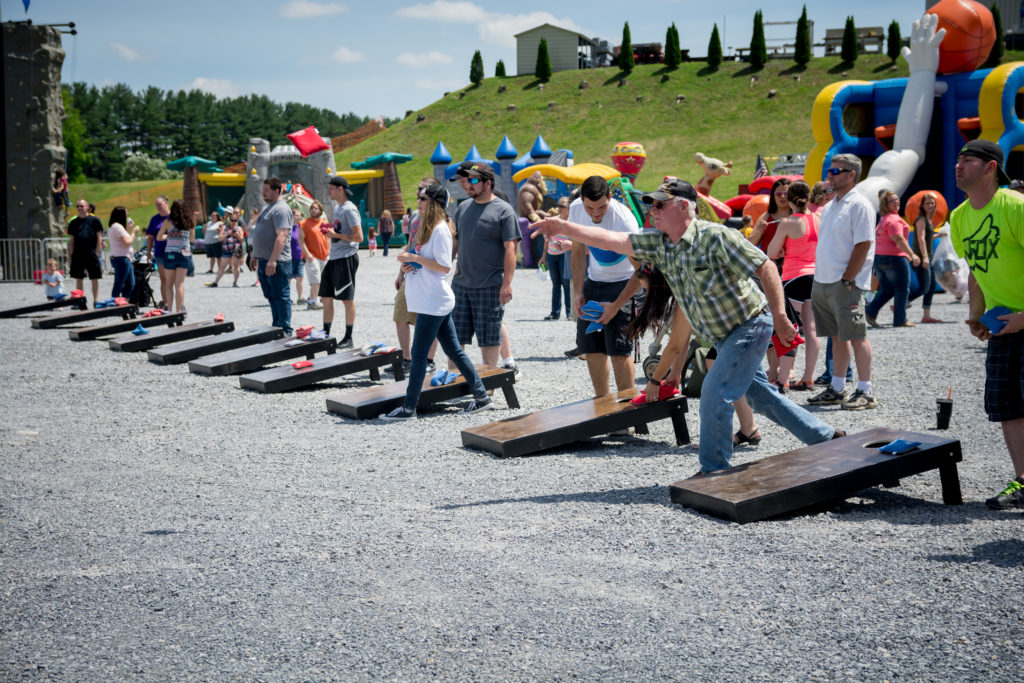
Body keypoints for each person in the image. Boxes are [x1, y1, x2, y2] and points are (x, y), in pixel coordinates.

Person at [532, 178, 842, 475]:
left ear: (683, 207)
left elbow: (766, 267)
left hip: (750, 324)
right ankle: (826, 437)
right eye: (651, 204)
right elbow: (610, 240)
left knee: (715, 392)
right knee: (762, 398)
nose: (652, 209)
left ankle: (714, 471)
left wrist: (780, 316)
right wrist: (563, 226)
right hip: (724, 336)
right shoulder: (660, 245)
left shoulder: (716, 236)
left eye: (660, 204)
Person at [948, 138, 1024, 510]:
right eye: (957, 159)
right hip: (1003, 324)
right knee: (1007, 404)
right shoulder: (959, 217)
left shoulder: (1015, 207)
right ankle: (1023, 481)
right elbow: (977, 271)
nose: (958, 165)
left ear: (991, 167)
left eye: (968, 160)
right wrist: (977, 315)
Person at [379, 183, 495, 420]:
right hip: (432, 300)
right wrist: (412, 264)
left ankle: (409, 408)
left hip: (433, 301)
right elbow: (429, 263)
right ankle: (482, 397)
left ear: (434, 203)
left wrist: (415, 258)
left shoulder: (440, 230)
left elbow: (443, 266)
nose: (418, 202)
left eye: (422, 199)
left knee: (419, 355)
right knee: (453, 350)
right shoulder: (431, 227)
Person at [628, 263, 762, 446]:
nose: (647, 295)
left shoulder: (684, 294)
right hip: (744, 325)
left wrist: (654, 381)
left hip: (744, 326)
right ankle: (749, 428)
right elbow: (682, 338)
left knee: (716, 387)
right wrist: (675, 372)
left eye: (648, 290)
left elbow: (674, 346)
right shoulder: (683, 287)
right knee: (718, 366)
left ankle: (718, 439)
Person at [807, 154, 878, 411]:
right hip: (825, 280)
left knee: (856, 335)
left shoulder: (859, 204)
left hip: (845, 282)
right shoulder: (830, 206)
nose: (830, 174)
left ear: (852, 175)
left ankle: (865, 391)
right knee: (836, 337)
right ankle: (837, 388)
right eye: (830, 170)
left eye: (836, 171)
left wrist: (848, 278)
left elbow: (864, 244)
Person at [568, 175, 641, 397]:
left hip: (624, 283)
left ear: (610, 197)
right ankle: (602, 405)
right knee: (591, 348)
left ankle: (627, 409)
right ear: (581, 199)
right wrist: (578, 291)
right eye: (590, 208)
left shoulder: (624, 221)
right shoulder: (576, 209)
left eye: (602, 207)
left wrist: (617, 306)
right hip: (594, 281)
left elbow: (642, 272)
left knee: (618, 350)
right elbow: (577, 250)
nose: (596, 213)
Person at [448, 162, 519, 367]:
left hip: (490, 285)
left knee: (489, 339)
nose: (468, 184)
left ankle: (488, 382)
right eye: (467, 180)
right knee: (455, 337)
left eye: (473, 180)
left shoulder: (504, 210)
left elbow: (511, 249)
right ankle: (453, 378)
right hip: (461, 284)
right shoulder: (463, 208)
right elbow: (456, 242)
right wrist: (444, 269)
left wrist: (507, 284)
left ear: (488, 183)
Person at [767, 181, 820, 391]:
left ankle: (783, 379)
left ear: (789, 199)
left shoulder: (788, 222)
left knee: (789, 328)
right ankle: (808, 378)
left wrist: (783, 250)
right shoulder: (818, 219)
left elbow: (771, 253)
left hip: (794, 277)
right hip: (815, 276)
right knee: (811, 329)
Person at [393, 178, 440, 372]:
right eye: (418, 191)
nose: (418, 195)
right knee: (400, 314)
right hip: (410, 275)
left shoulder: (439, 221)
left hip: (428, 277)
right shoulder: (414, 216)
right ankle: (407, 359)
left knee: (429, 319)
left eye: (423, 191)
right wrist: (400, 272)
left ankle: (429, 360)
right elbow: (410, 244)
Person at [865, 191, 921, 328]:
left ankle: (870, 311)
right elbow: (898, 239)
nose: (896, 202)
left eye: (897, 199)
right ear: (886, 204)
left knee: (887, 289)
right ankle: (900, 320)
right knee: (902, 289)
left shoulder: (884, 219)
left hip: (879, 258)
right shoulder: (893, 220)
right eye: (892, 200)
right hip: (895, 258)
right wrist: (912, 254)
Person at [319, 175, 362, 347]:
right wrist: (329, 230)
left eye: (331, 189)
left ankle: (348, 338)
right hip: (334, 257)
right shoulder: (338, 208)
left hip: (346, 258)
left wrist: (335, 234)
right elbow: (340, 231)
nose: (328, 192)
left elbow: (359, 237)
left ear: (340, 189)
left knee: (347, 299)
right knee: (326, 297)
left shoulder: (349, 209)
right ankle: (325, 334)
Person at [249, 177, 294, 334]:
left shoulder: (281, 209)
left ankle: (285, 329)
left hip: (278, 262)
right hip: (264, 260)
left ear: (276, 191)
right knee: (271, 295)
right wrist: (255, 255)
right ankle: (277, 326)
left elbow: (282, 236)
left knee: (281, 296)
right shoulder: (267, 208)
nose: (263, 193)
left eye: (267, 190)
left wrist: (273, 260)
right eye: (263, 190)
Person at [154, 200, 194, 313]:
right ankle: (179, 311)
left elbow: (159, 238)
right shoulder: (189, 223)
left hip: (170, 252)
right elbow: (191, 239)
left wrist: (170, 236)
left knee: (169, 284)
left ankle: (170, 310)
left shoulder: (168, 222)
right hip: (184, 252)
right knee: (179, 284)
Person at [540, 196, 573, 321]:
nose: (559, 208)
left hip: (565, 255)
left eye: (562, 206)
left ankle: (570, 313)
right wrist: (543, 256)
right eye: (558, 205)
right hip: (551, 255)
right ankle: (555, 313)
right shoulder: (553, 220)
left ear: (569, 208)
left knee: (566, 284)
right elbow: (547, 239)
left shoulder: (572, 222)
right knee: (555, 284)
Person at [911, 192, 941, 323]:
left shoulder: (928, 220)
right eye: (927, 203)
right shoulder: (921, 220)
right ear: (922, 205)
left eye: (932, 203)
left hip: (927, 257)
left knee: (931, 286)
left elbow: (928, 237)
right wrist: (925, 257)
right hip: (922, 258)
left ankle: (926, 315)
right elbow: (921, 239)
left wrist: (939, 235)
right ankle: (901, 303)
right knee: (924, 288)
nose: (930, 205)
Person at [67, 198, 104, 304]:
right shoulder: (73, 222)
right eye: (78, 206)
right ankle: (80, 300)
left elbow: (99, 237)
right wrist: (71, 253)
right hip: (78, 254)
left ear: (87, 207)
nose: (79, 208)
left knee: (94, 277)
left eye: (82, 206)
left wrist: (96, 252)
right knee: (79, 278)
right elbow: (71, 239)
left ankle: (95, 301)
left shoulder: (95, 220)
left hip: (91, 253)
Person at [298, 200, 329, 309]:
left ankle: (316, 299)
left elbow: (330, 237)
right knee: (315, 280)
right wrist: (307, 254)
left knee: (324, 280)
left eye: (316, 208)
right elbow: (300, 240)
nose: (313, 210)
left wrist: (329, 251)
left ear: (320, 210)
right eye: (312, 208)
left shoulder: (325, 223)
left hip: (324, 256)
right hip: (312, 256)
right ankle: (312, 302)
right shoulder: (304, 223)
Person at [145, 196, 172, 306]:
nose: (158, 207)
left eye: (160, 204)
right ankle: (166, 302)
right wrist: (148, 253)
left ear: (166, 203)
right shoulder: (154, 219)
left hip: (173, 252)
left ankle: (175, 301)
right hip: (160, 253)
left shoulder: (173, 217)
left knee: (172, 279)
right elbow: (150, 238)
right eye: (156, 205)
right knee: (164, 279)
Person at [107, 206, 138, 299]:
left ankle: (123, 303)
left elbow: (123, 240)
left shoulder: (116, 227)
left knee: (129, 284)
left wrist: (128, 228)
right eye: (126, 215)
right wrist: (134, 232)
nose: (127, 217)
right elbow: (127, 242)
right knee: (120, 284)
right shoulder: (117, 226)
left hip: (123, 258)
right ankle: (115, 301)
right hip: (121, 258)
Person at [211, 208, 245, 288]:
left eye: (235, 221)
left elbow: (242, 240)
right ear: (229, 220)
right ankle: (215, 282)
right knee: (222, 267)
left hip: (236, 249)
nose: (233, 222)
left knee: (236, 266)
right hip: (226, 250)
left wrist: (237, 235)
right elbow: (220, 238)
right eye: (232, 220)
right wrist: (227, 234)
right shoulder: (224, 228)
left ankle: (235, 282)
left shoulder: (239, 228)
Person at [290, 208, 305, 303]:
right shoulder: (287, 228)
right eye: (297, 215)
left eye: (300, 215)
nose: (299, 217)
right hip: (288, 258)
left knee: (300, 277)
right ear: (291, 216)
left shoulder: (300, 227)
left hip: (299, 258)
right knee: (288, 279)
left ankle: (300, 297)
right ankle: (287, 298)